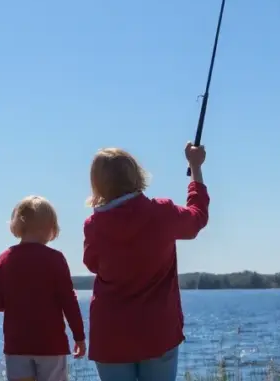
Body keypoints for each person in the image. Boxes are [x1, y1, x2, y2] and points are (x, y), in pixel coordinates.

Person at [82, 143, 210, 381]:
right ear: (135, 174)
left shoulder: (93, 226)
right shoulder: (161, 212)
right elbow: (197, 217)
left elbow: (92, 264)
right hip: (158, 331)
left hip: (110, 334)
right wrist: (195, 167)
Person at [0, 196, 86, 381]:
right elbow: (69, 302)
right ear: (50, 227)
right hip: (51, 345)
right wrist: (79, 337)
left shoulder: (5, 259)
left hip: (17, 346)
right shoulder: (55, 259)